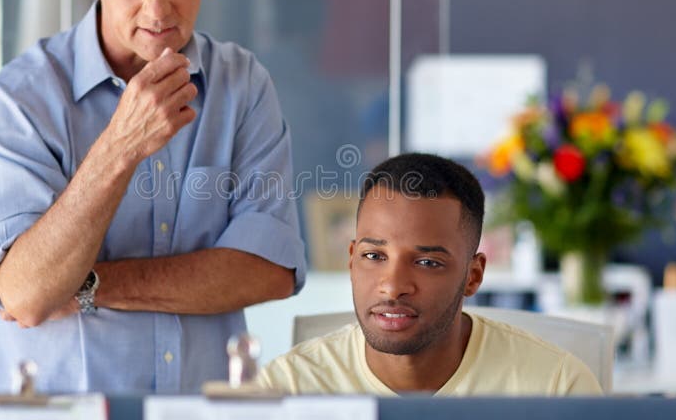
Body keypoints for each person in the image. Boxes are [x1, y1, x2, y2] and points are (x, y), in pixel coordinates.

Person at [0, 0, 306, 393]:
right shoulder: (20, 100)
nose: (158, 7)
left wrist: (90, 284)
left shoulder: (243, 86)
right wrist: (120, 147)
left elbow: (268, 269)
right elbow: (27, 294)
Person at [256, 153, 601, 396]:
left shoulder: (556, 390)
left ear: (473, 276)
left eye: (427, 263)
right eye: (373, 256)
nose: (392, 286)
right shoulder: (288, 389)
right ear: (351, 260)